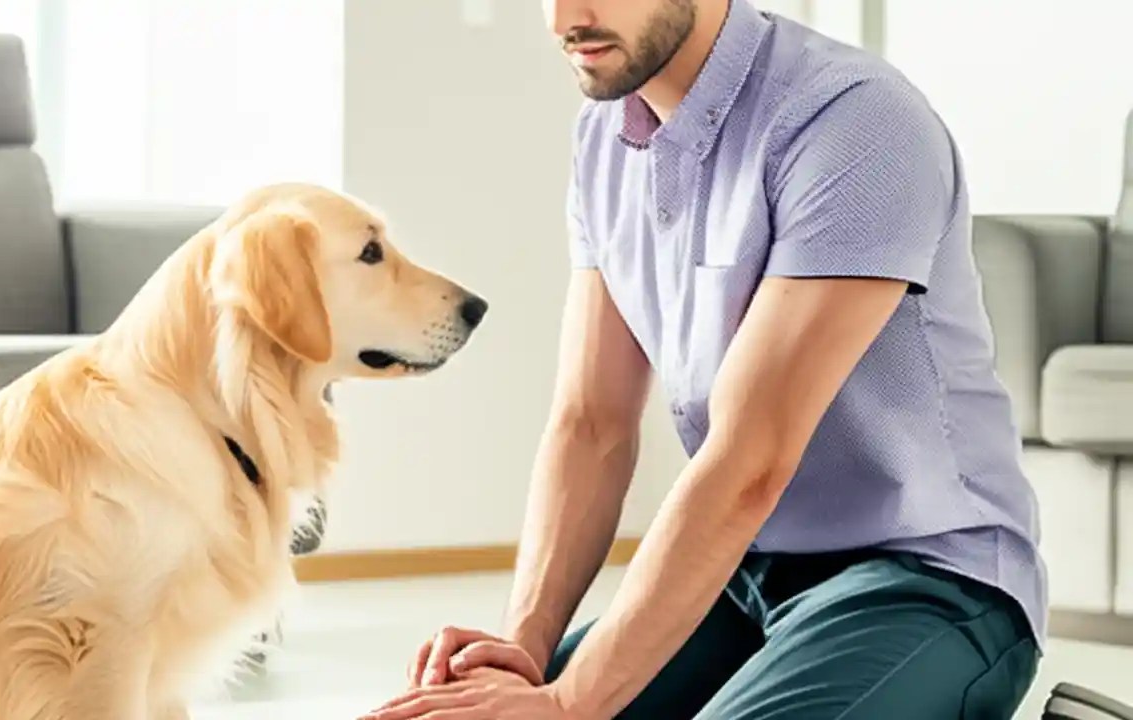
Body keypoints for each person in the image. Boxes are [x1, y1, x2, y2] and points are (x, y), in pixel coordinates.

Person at [360, 0, 1046, 717]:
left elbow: (753, 457)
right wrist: (527, 652)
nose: (567, 15)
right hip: (742, 576)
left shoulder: (854, 120)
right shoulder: (603, 139)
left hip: (927, 580)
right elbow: (591, 423)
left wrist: (569, 705)